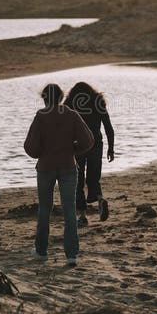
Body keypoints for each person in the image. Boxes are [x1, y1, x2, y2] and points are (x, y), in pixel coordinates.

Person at [24, 82, 94, 266]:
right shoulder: (71, 114)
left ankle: (41, 251)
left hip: (46, 167)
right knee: (69, 210)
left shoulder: (41, 116)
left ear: (45, 98)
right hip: (68, 166)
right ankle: (71, 254)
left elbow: (29, 146)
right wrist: (73, 150)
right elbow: (88, 140)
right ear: (62, 97)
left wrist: (41, 154)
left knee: (44, 210)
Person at [64, 82, 115, 225]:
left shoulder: (70, 104)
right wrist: (111, 148)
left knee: (78, 181)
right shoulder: (98, 102)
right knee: (93, 178)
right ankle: (99, 199)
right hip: (96, 144)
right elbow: (108, 128)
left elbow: (63, 129)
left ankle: (82, 216)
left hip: (77, 146)